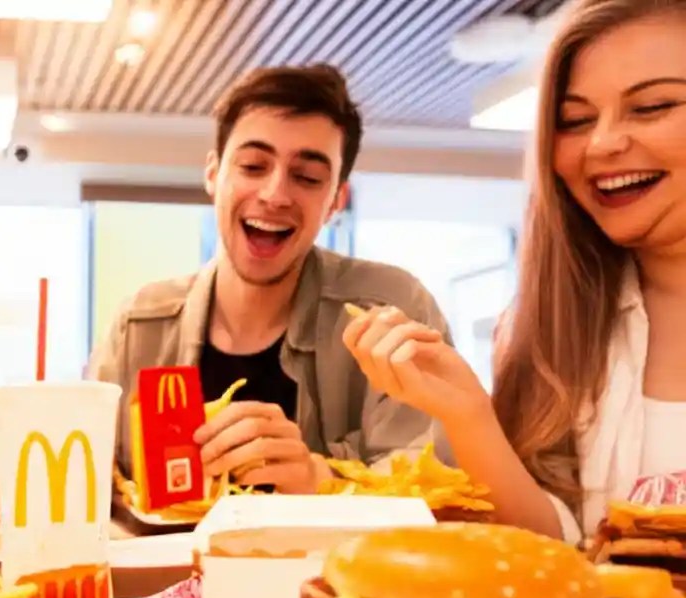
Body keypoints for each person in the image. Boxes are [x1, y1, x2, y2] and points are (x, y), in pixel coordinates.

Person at [343, 0, 686, 543]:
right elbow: (555, 555)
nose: (602, 144)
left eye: (653, 106)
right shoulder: (546, 331)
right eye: (574, 121)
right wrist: (469, 416)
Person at [89, 64, 451, 495]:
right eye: (253, 165)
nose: (275, 194)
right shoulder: (138, 327)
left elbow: (438, 487)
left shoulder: (392, 311)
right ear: (213, 174)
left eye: (307, 177)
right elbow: (91, 483)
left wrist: (323, 481)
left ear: (335, 199)